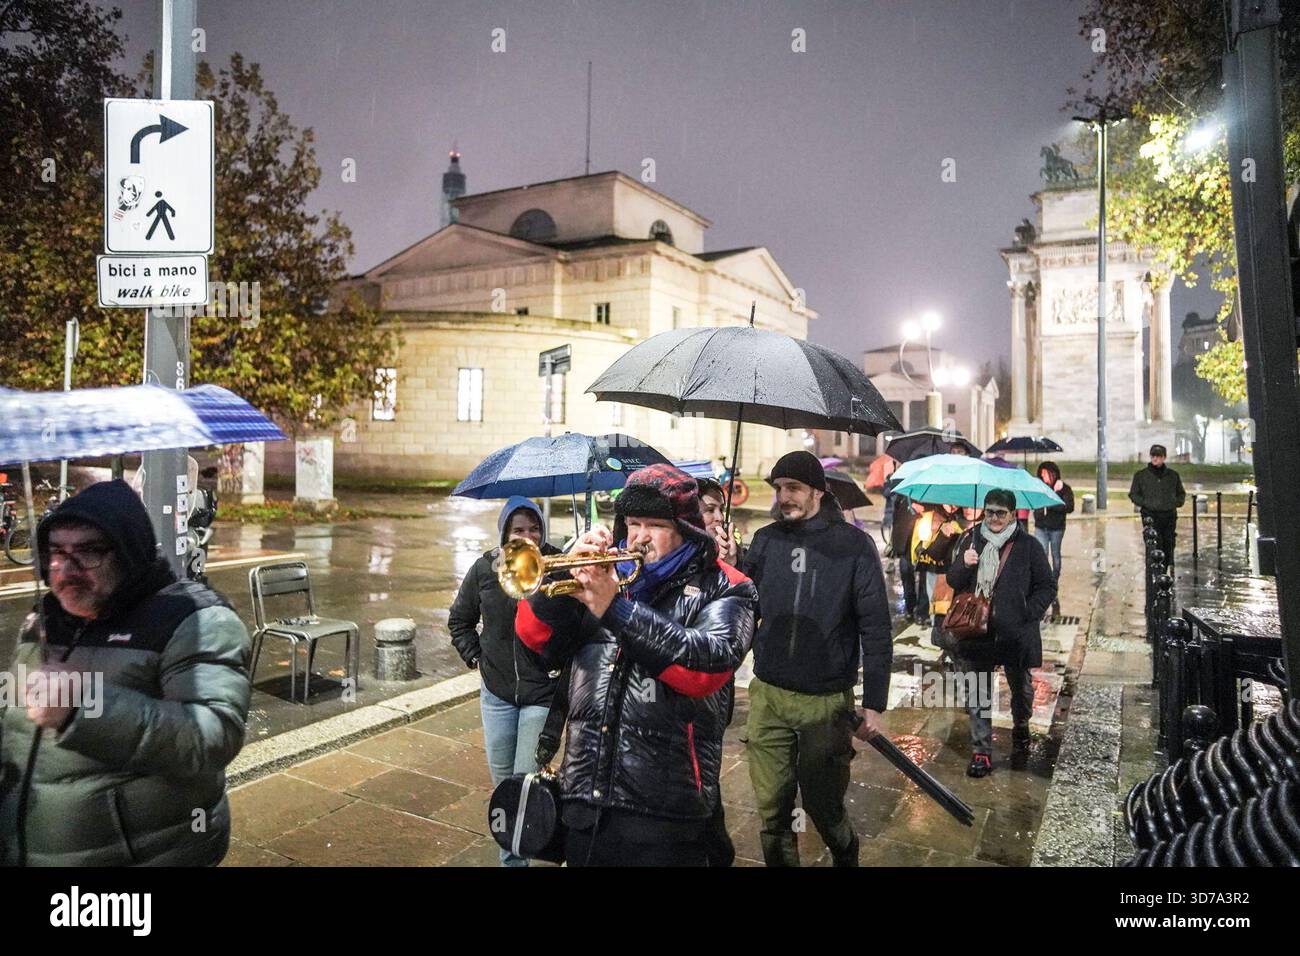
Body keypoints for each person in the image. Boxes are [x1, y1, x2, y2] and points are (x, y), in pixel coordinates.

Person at [514, 465, 756, 866]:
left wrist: (618, 610)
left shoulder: (728, 585)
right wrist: (557, 589)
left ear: (686, 528)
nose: (639, 536)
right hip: (586, 799)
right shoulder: (608, 575)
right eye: (632, 523)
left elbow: (706, 667)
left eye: (655, 525)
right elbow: (535, 640)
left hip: (664, 810)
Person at [0, 480, 251, 866]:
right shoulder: (47, 616)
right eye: (55, 552)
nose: (65, 569)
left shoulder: (195, 619)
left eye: (87, 552)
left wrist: (83, 708)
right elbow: (18, 713)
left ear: (129, 551)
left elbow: (212, 736)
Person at [739, 451, 892, 867]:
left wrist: (875, 702)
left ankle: (846, 852)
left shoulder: (854, 547)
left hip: (825, 702)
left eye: (793, 488)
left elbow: (876, 626)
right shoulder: (767, 539)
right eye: (778, 488)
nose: (783, 497)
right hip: (769, 695)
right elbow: (741, 602)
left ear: (818, 492)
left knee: (823, 806)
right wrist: (727, 565)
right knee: (773, 808)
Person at [447, 495, 561, 866]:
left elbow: (576, 630)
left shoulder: (558, 564)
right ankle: (512, 860)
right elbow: (459, 620)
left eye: (534, 528)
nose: (528, 536)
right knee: (503, 787)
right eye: (518, 530)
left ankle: (515, 860)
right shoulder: (485, 568)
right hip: (496, 693)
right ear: (504, 534)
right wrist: (477, 658)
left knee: (523, 784)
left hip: (540, 694)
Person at [943, 488, 1056, 778]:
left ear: (1012, 514)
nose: (993, 518)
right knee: (979, 691)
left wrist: (1027, 613)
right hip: (977, 631)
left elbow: (1046, 586)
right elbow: (953, 580)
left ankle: (1021, 726)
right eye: (989, 511)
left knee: (1022, 689)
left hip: (1014, 633)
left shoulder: (1028, 545)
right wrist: (963, 564)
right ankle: (981, 751)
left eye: (1000, 513)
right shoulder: (970, 539)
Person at [1129, 444, 1186, 569]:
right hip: (1150, 514)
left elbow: (1181, 493)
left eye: (1158, 456)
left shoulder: (1173, 476)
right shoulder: (1141, 475)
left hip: (1169, 515)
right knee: (1154, 543)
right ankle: (1153, 571)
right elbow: (1133, 494)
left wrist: (1174, 503)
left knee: (1168, 542)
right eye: (1153, 456)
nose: (1155, 458)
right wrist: (1146, 503)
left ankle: (1166, 568)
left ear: (1164, 457)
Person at [1032, 461, 1075, 589]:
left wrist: (1052, 502)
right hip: (1041, 527)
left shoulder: (1064, 489)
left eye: (1046, 473)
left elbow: (1069, 507)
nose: (1043, 476)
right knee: (1042, 554)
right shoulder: (1040, 488)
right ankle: (1044, 579)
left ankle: (1054, 578)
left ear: (1053, 474)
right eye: (1042, 474)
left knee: (1056, 554)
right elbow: (1036, 507)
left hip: (1057, 528)